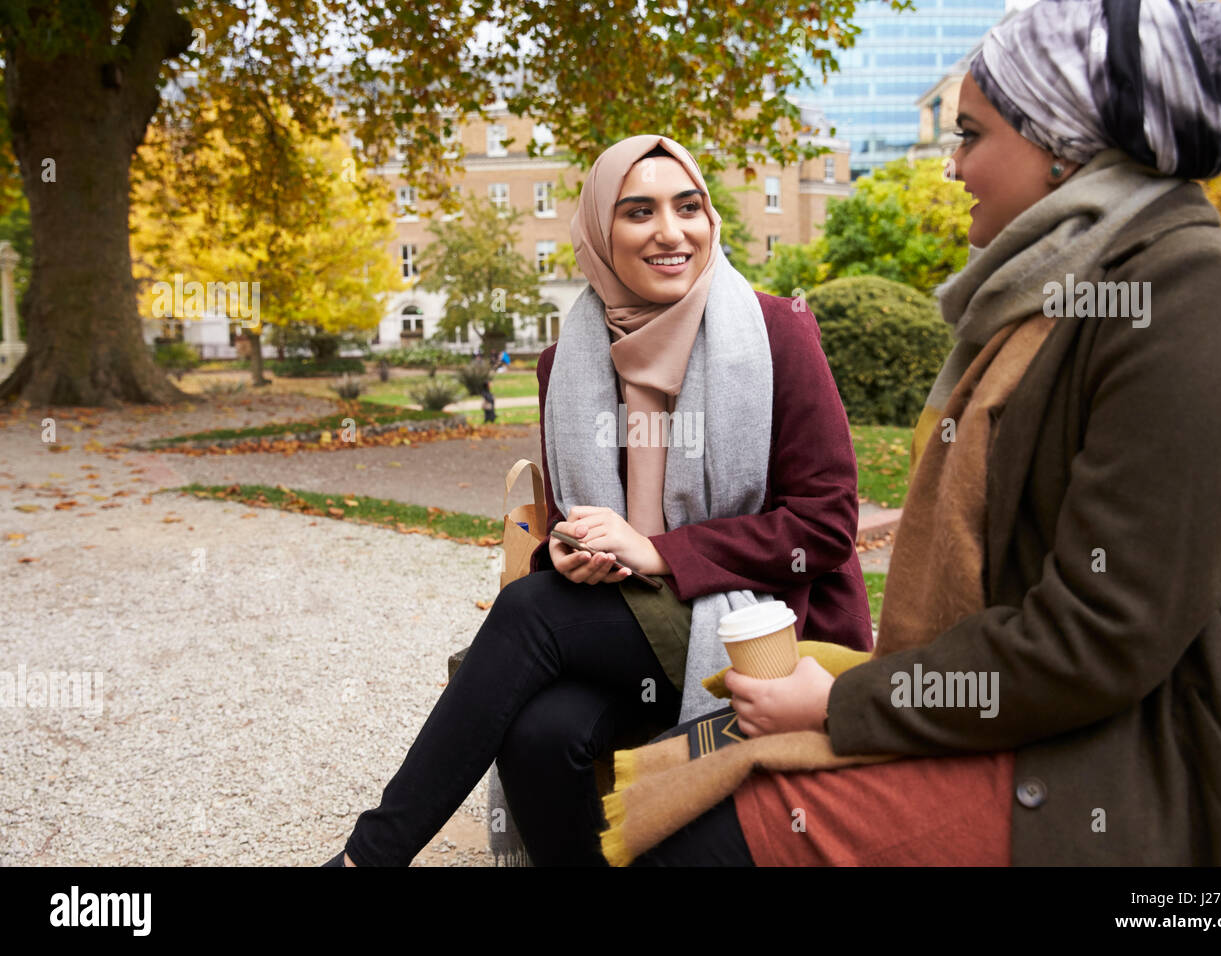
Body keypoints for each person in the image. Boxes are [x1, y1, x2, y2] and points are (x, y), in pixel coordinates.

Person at [621, 0, 1221, 867]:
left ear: (1062, 145)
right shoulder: (1057, 297)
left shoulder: (1197, 295)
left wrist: (845, 703)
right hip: (1048, 711)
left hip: (1156, 763)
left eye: (972, 134)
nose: (951, 167)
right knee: (684, 765)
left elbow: (1098, 639)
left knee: (708, 828)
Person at [322, 134, 873, 866]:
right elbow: (577, 518)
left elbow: (825, 525)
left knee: (526, 611)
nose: (671, 232)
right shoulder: (568, 360)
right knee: (539, 735)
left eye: (689, 207)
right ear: (598, 233)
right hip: (623, 628)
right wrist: (565, 548)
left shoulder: (776, 334)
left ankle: (369, 857)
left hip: (760, 625)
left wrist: (660, 552)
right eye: (638, 212)